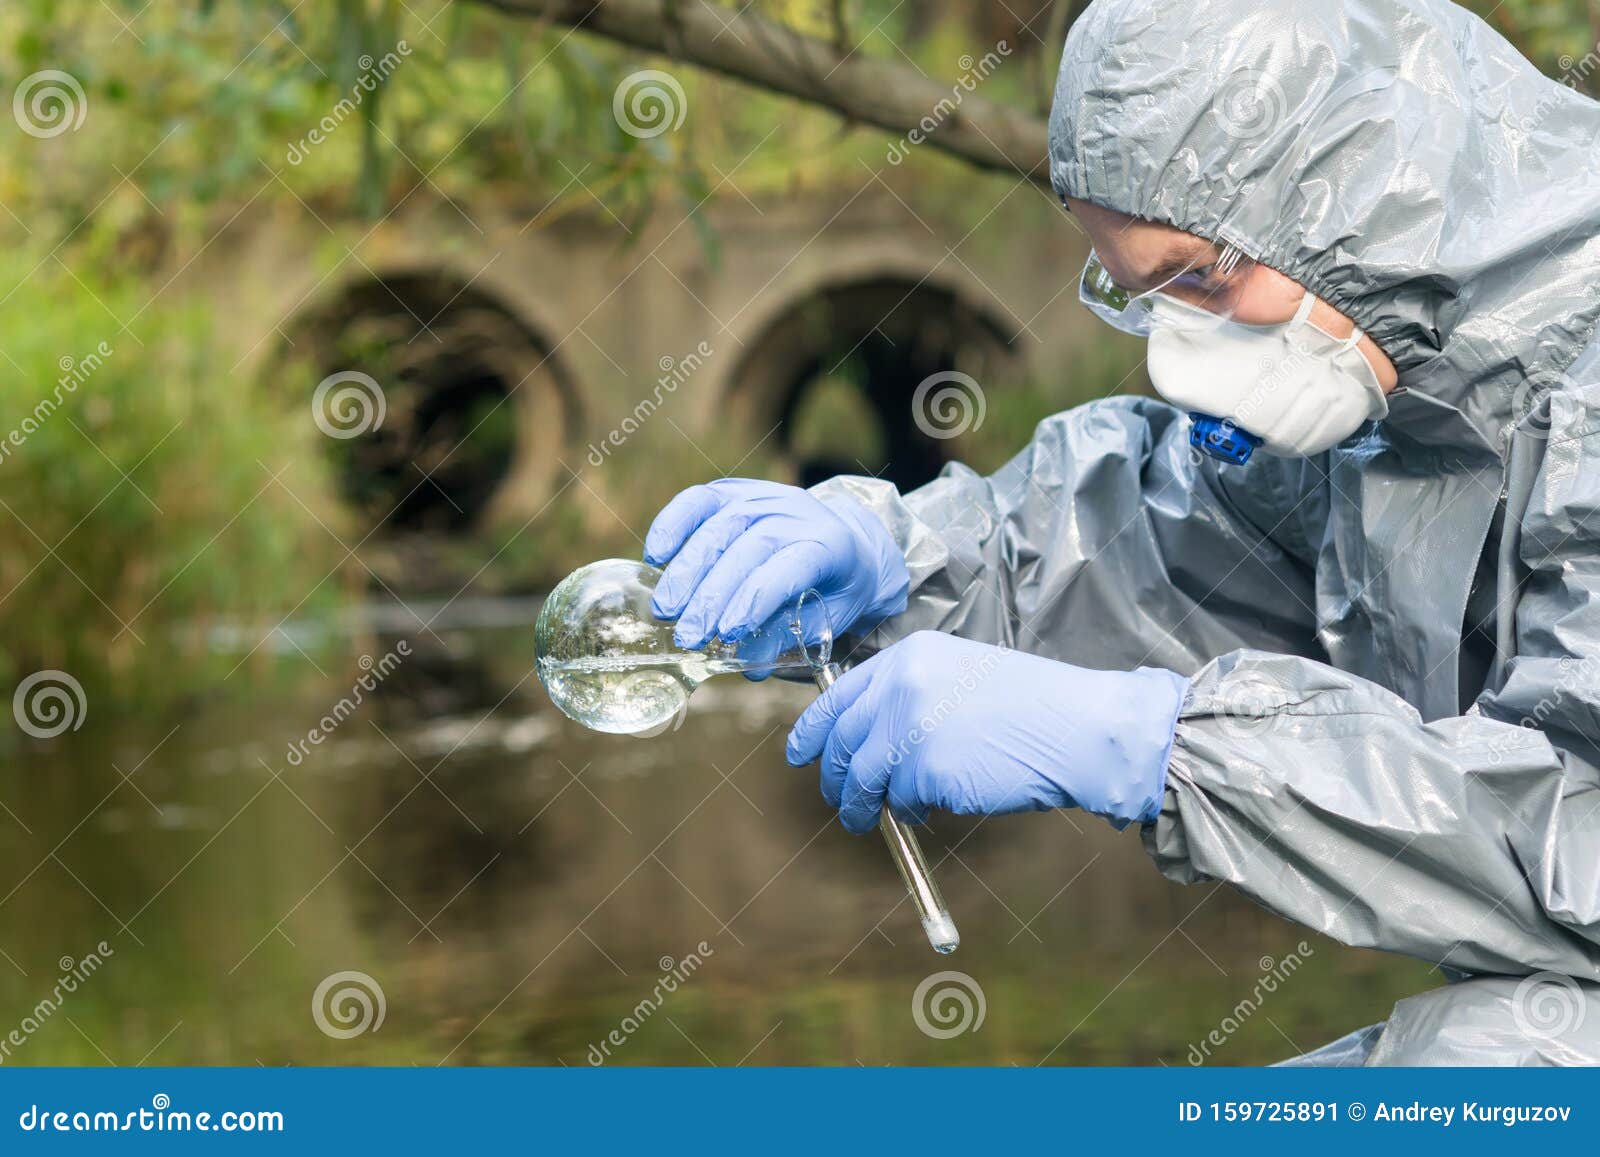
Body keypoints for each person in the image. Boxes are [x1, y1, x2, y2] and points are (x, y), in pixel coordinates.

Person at [644, 0, 1600, 1064]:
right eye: (1143, 294)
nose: (1176, 356)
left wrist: (1157, 745)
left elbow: (1577, 837)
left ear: (1368, 187)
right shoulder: (1393, 381)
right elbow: (1153, 536)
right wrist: (897, 560)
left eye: (1202, 277)